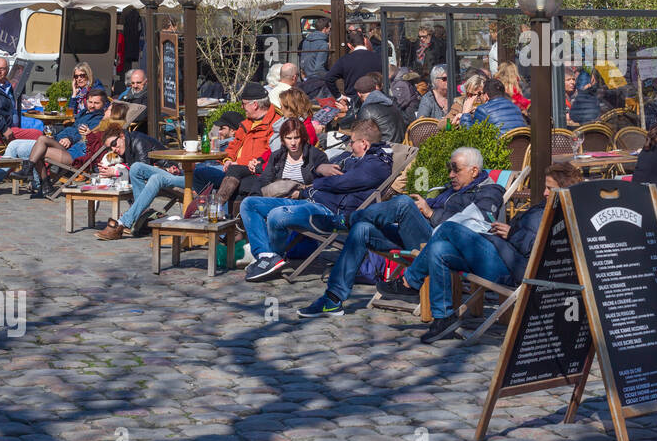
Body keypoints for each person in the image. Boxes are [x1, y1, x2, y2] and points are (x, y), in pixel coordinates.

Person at [378, 162, 585, 342]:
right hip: (500, 253)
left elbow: (540, 247)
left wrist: (511, 233)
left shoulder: (560, 214)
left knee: (450, 228)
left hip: (511, 268)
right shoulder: (547, 207)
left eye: (550, 189)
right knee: (439, 250)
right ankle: (443, 318)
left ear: (565, 190)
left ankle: (409, 282)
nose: (544, 193)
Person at [296, 146, 505, 317]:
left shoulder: (490, 192)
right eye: (450, 169)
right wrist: (422, 208)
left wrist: (430, 213)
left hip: (441, 247)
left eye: (455, 170)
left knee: (403, 203)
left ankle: (345, 220)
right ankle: (332, 299)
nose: (450, 174)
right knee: (363, 229)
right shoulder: (453, 190)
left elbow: (473, 225)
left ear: (474, 171)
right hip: (420, 238)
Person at [242, 119, 391, 282]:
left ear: (364, 144)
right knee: (250, 204)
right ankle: (267, 256)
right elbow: (320, 169)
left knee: (277, 215)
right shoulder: (350, 156)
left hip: (330, 212)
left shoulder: (377, 165)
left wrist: (313, 185)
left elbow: (342, 183)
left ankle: (273, 258)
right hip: (312, 201)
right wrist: (320, 168)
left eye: (352, 141)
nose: (350, 145)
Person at [193, 83, 280, 201]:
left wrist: (239, 163)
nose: (241, 108)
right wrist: (228, 159)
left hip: (253, 171)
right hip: (232, 169)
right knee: (199, 173)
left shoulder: (274, 125)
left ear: (254, 105)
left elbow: (266, 154)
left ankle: (216, 208)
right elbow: (233, 146)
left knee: (237, 177)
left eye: (243, 104)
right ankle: (205, 206)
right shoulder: (247, 123)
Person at [94, 125, 175, 240]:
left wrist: (117, 172)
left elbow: (141, 170)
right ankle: (136, 218)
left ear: (121, 136)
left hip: (169, 173)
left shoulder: (138, 141)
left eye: (113, 144)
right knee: (125, 176)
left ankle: (127, 221)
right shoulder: (126, 146)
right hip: (155, 177)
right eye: (109, 148)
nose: (113, 149)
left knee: (131, 172)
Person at [23, 88, 109, 189]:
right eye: (90, 102)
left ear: (104, 104)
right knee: (41, 141)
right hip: (67, 146)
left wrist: (70, 139)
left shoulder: (98, 119)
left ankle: (41, 182)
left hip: (74, 153)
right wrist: (56, 137)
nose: (92, 105)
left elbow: (82, 135)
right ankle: (40, 181)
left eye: (96, 103)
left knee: (38, 149)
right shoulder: (85, 113)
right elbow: (73, 129)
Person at [0, 57, 41, 144]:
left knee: (39, 125)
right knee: (38, 134)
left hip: (11, 126)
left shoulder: (7, 85)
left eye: (2, 69)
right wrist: (4, 128)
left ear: (7, 70)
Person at [324, 28, 382, 101]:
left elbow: (328, 78)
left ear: (349, 45)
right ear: (364, 41)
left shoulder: (345, 60)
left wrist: (339, 97)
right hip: (375, 98)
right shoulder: (377, 58)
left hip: (353, 100)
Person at [351, 74, 405, 144]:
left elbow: (359, 134)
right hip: (399, 147)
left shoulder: (367, 110)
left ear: (359, 94)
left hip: (383, 150)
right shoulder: (390, 101)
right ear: (375, 88)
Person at [458, 78, 527, 132]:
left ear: (486, 95)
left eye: (480, 94)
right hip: (522, 148)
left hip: (499, 148)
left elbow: (470, 136)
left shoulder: (483, 110)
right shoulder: (516, 108)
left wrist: (465, 114)